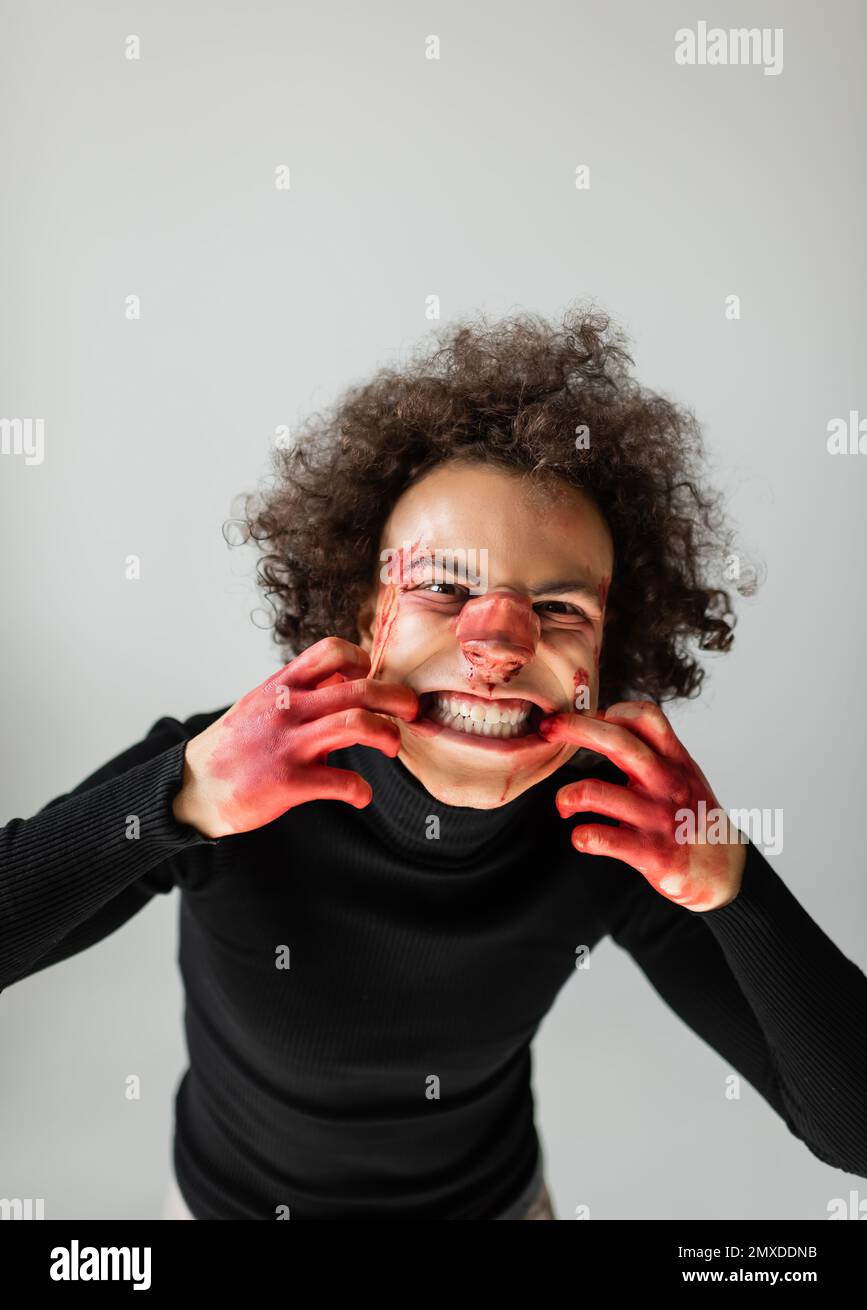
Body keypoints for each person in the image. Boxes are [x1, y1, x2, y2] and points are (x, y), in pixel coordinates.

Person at [2, 307, 866, 1220]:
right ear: (366, 615)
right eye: (443, 589)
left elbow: (851, 1132)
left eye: (562, 609)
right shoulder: (232, 769)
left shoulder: (610, 828)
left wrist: (733, 880)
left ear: (607, 658)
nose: (497, 645)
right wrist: (177, 798)